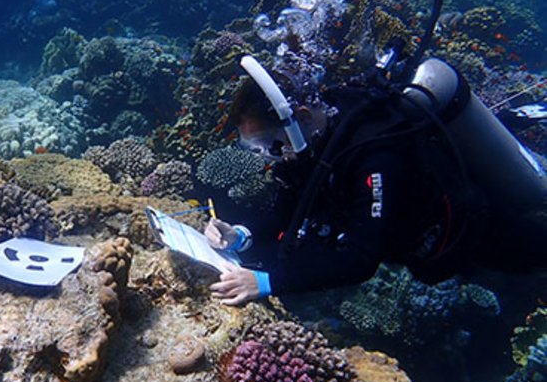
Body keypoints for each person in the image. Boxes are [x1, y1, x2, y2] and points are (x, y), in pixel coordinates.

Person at [207, 55, 547, 306]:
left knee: (535, 253)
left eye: (268, 143)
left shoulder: (373, 155)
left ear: (303, 118)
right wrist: (241, 235)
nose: (268, 155)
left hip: (477, 232)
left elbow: (360, 258)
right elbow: (289, 206)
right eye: (254, 148)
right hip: (427, 247)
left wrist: (267, 281)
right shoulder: (310, 146)